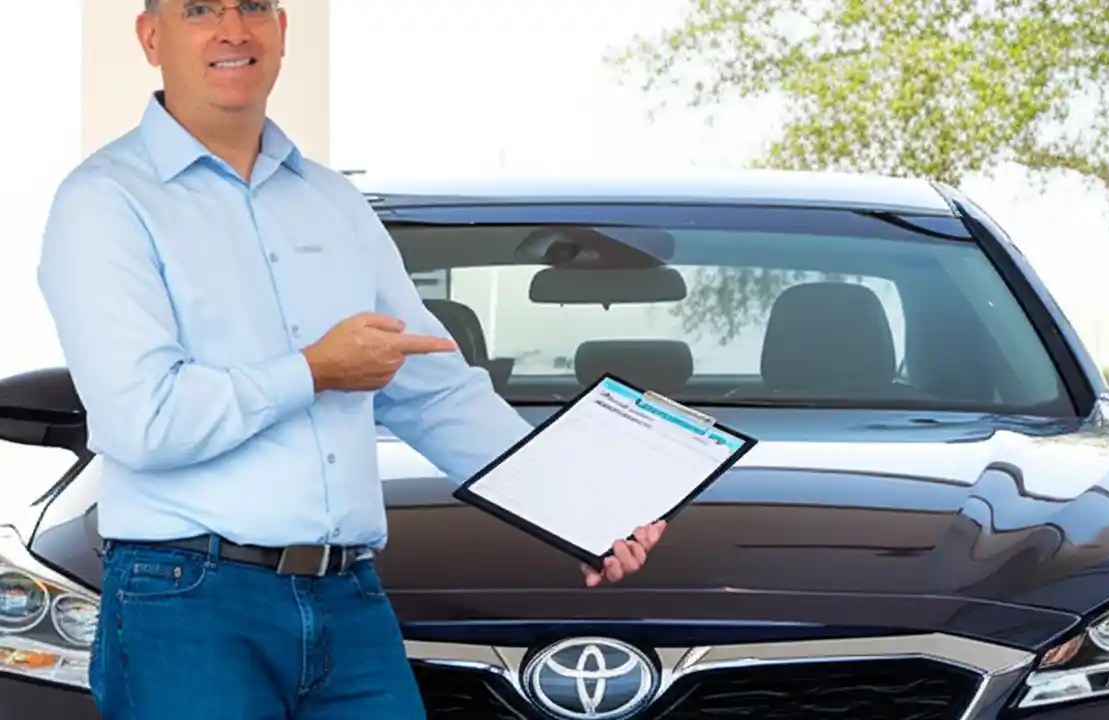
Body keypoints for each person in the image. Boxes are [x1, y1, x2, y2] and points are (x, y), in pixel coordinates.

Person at [35, 1, 666, 718]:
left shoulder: (334, 205)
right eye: (200, 9)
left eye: (253, 7)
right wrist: (314, 369)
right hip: (187, 601)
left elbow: (432, 389)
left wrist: (575, 512)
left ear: (281, 30)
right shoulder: (106, 202)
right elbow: (141, 421)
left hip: (347, 600)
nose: (232, 30)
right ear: (152, 38)